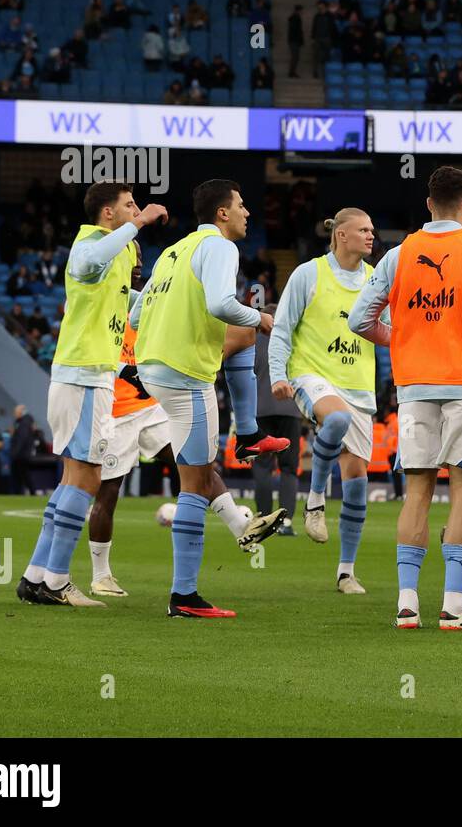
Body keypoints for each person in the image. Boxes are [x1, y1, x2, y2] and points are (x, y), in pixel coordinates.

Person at [349, 167, 462, 630]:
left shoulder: (399, 253)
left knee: (417, 493)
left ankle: (407, 603)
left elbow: (357, 320)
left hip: (415, 388)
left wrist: (402, 339)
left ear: (428, 204)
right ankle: (452, 605)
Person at [131, 179, 289, 618]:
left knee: (237, 339)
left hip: (153, 368)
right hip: (186, 374)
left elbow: (135, 313)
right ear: (222, 213)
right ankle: (184, 596)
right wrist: (262, 319)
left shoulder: (173, 251)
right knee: (196, 483)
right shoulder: (220, 248)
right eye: (241, 205)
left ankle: (249, 436)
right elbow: (222, 304)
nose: (247, 213)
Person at [15, 181, 169, 609]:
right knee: (88, 476)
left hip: (89, 375)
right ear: (108, 214)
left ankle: (35, 577)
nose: (137, 210)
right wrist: (139, 223)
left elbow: (125, 312)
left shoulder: (117, 256)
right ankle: (58, 581)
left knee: (73, 477)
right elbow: (85, 266)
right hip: (83, 379)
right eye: (129, 205)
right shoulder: (91, 243)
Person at [271, 208, 386, 594]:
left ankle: (346, 571)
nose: (371, 236)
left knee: (356, 483)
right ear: (341, 235)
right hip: (312, 375)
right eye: (364, 230)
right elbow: (282, 328)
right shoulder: (309, 274)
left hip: (359, 387)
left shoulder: (376, 279)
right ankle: (315, 500)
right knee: (334, 421)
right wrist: (277, 376)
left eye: (372, 230)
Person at [86, 242, 177, 597]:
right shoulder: (98, 298)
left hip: (149, 406)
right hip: (114, 414)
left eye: (141, 259)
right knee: (108, 492)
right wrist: (125, 369)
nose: (139, 265)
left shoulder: (145, 300)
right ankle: (100, 575)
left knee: (191, 461)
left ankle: (239, 524)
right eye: (131, 259)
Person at [252, 303, 303, 535]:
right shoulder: (293, 341)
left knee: (262, 466)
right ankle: (286, 522)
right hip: (289, 408)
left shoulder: (253, 343)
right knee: (288, 468)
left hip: (261, 410)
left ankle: (263, 519)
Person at [10, 404, 37, 494]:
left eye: (15, 412)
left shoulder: (24, 422)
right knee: (24, 474)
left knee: (22, 475)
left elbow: (22, 438)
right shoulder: (25, 421)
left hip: (22, 454)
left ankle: (29, 492)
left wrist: (15, 453)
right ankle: (30, 492)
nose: (14, 414)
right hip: (24, 453)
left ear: (20, 412)